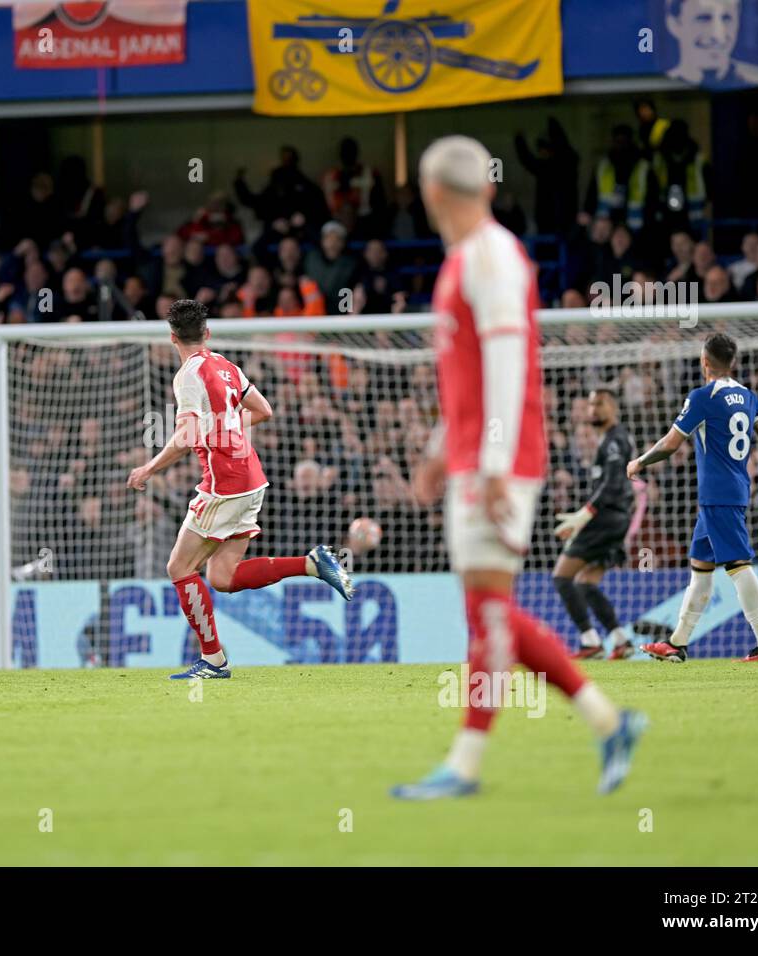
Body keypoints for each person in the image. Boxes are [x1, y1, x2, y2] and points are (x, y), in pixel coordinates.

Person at [394, 136, 646, 801]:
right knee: (488, 614)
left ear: (431, 192)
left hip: (500, 462)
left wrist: (495, 463)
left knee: (490, 612)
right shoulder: (467, 258)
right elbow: (468, 375)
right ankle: (601, 725)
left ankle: (481, 761)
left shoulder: (491, 257)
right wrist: (439, 450)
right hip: (479, 456)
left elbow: (509, 365)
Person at [126, 299, 353, 680]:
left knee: (179, 567)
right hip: (252, 478)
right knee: (221, 577)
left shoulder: (187, 376)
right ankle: (311, 564)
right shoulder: (227, 367)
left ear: (172, 338)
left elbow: (184, 435)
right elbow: (264, 411)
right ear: (208, 334)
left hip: (225, 484)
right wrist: (228, 426)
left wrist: (150, 466)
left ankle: (213, 660)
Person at [628, 332, 758, 662]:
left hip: (718, 495)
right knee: (701, 570)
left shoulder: (702, 397)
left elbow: (671, 443)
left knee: (739, 566)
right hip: (732, 491)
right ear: (733, 362)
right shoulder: (748, 396)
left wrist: (640, 461)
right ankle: (677, 643)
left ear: (705, 362)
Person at [552, 388, 638, 659]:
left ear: (613, 407)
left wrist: (584, 514)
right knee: (585, 584)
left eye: (599, 404)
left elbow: (613, 484)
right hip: (614, 520)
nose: (593, 410)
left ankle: (590, 640)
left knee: (561, 577)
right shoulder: (609, 441)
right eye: (590, 404)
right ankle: (620, 640)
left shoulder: (615, 440)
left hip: (606, 519)